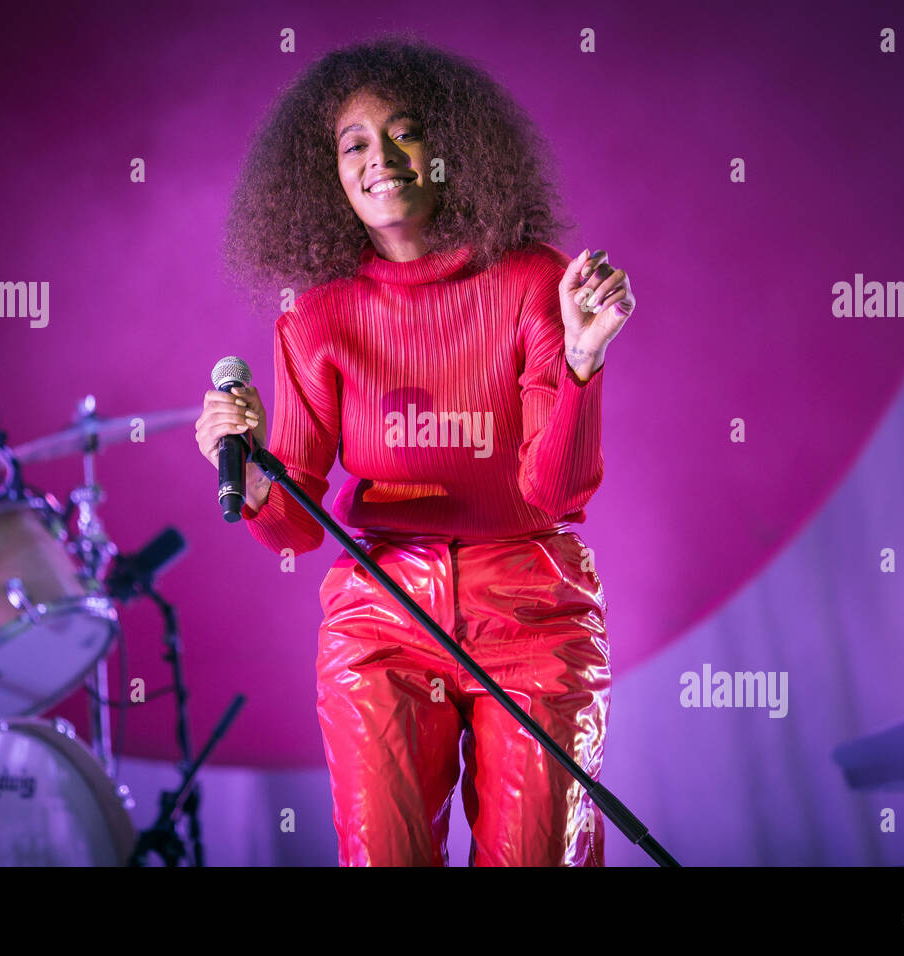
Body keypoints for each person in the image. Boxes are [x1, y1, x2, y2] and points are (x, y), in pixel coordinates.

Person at [196, 36, 634, 866]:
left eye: (404, 133)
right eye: (353, 143)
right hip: (381, 623)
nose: (379, 159)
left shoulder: (535, 282)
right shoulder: (316, 320)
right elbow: (293, 529)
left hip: (533, 607)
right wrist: (252, 471)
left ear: (450, 150)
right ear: (327, 174)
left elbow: (554, 493)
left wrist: (581, 364)